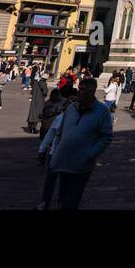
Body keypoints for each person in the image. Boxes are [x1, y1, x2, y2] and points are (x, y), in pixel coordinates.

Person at [43, 78, 113, 210]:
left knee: (72, 199)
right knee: (62, 196)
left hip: (82, 164)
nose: (80, 92)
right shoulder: (71, 108)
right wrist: (55, 151)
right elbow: (60, 132)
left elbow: (106, 137)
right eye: (79, 89)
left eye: (83, 90)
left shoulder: (102, 112)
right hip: (64, 160)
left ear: (92, 92)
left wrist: (90, 155)